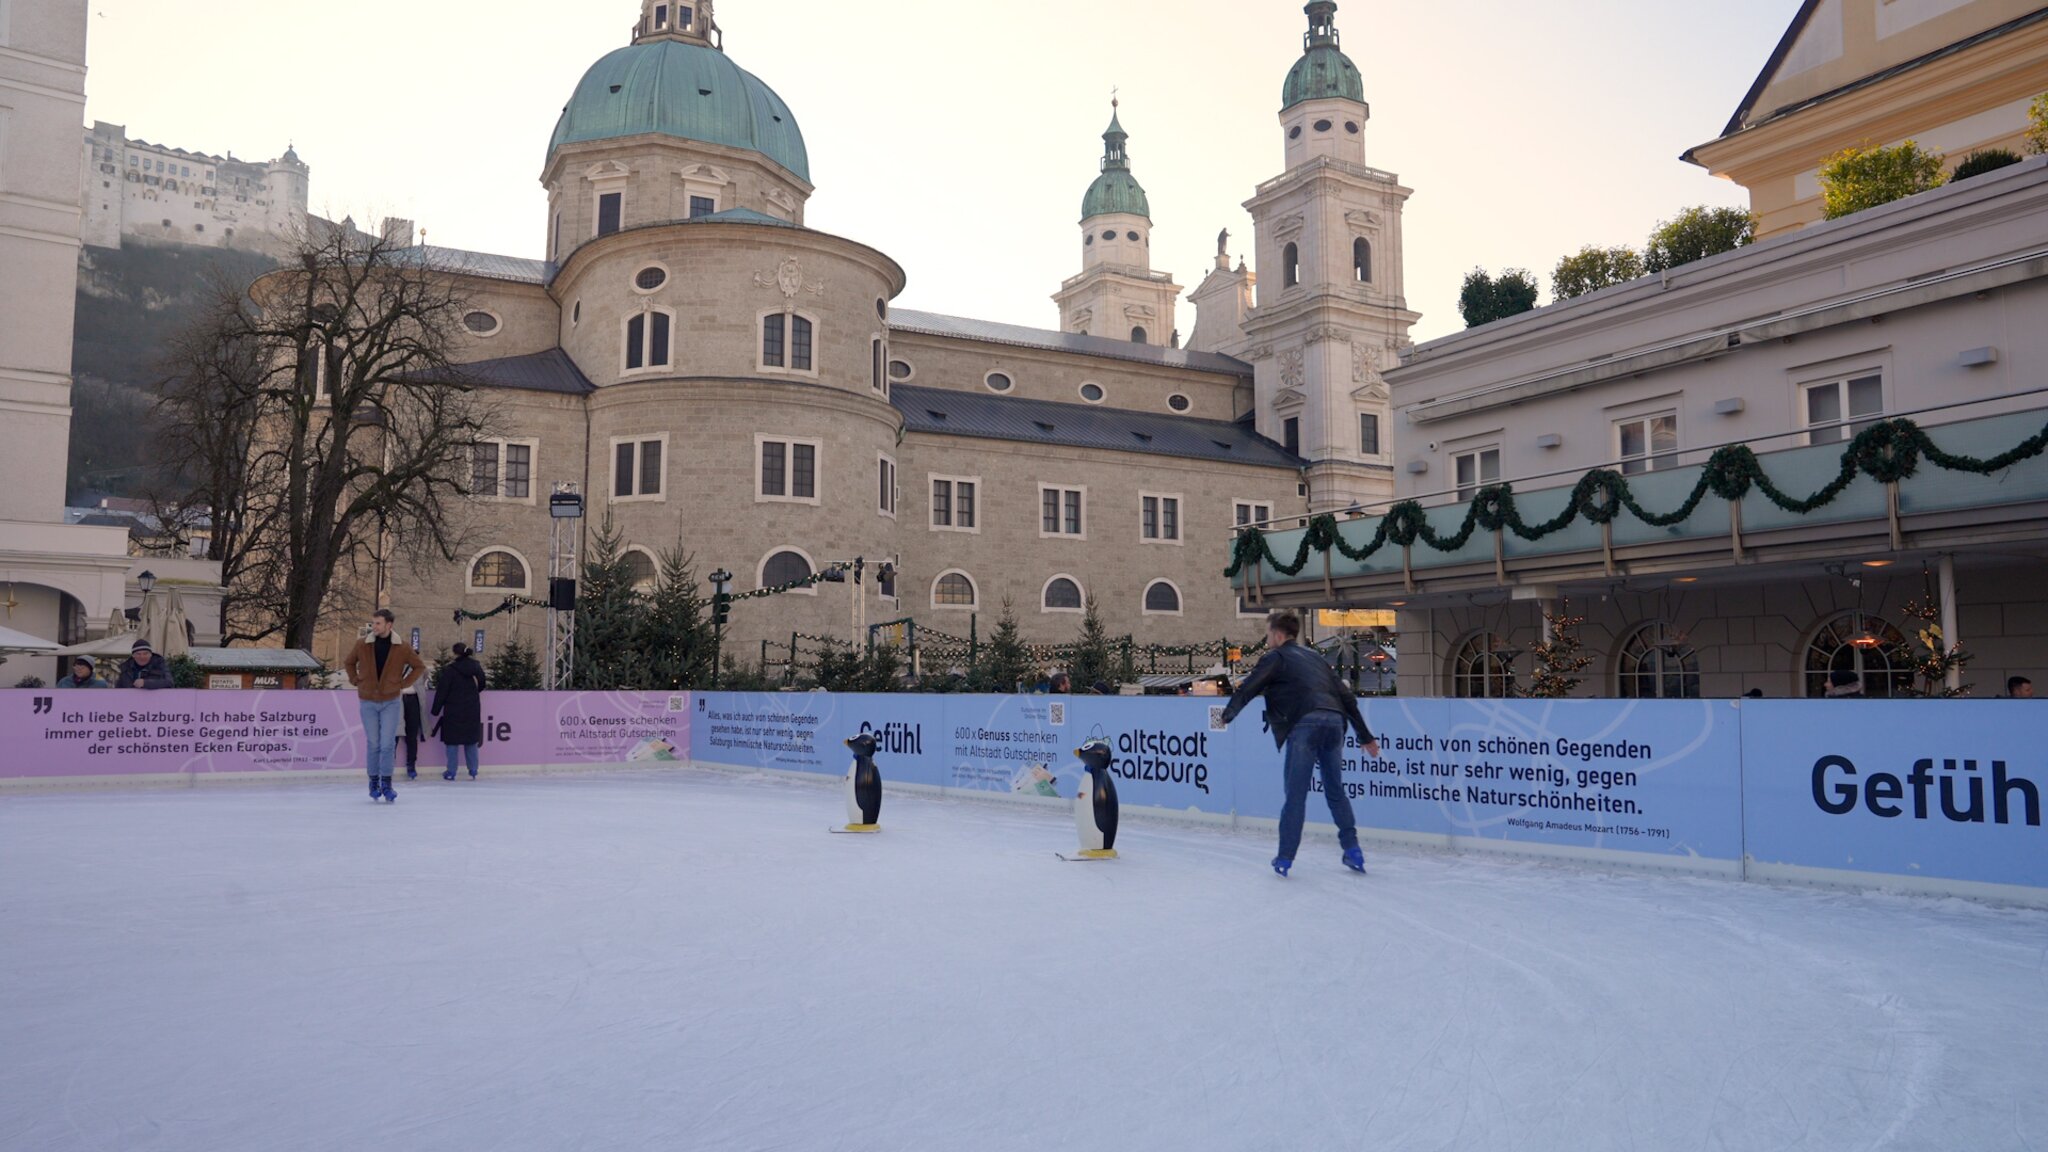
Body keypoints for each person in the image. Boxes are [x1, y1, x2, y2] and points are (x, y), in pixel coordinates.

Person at [1220, 610, 1381, 878]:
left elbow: (1249, 686)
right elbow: (1346, 697)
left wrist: (1228, 713)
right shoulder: (1316, 657)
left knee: (1296, 795)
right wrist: (1365, 736)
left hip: (1304, 723)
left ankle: (1285, 857)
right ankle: (1353, 849)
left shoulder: (1276, 657)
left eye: (1268, 634)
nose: (1267, 640)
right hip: (1334, 722)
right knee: (1335, 791)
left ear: (1278, 635)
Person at [345, 609, 427, 803]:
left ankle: (387, 784)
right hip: (368, 700)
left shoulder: (402, 647)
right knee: (374, 743)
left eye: (378, 623)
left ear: (389, 625)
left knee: (388, 743)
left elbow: (419, 666)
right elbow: (349, 662)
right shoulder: (362, 644)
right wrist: (356, 680)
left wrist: (403, 684)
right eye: (373, 623)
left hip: (391, 701)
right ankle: (373, 781)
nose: (374, 626)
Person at [432, 643, 488, 781]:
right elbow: (482, 682)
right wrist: (475, 692)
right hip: (472, 707)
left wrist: (435, 710)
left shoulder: (450, 670)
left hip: (453, 708)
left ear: (455, 653)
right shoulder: (475, 666)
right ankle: (473, 769)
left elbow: (442, 691)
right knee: (471, 740)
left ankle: (451, 771)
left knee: (452, 741)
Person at [399, 678, 424, 780]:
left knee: (412, 734)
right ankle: (387, 765)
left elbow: (424, 675)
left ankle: (411, 764)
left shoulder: (417, 668)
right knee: (394, 733)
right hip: (396, 698)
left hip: (414, 698)